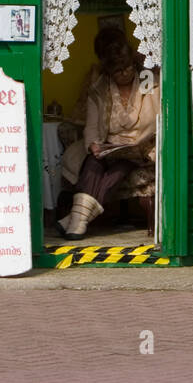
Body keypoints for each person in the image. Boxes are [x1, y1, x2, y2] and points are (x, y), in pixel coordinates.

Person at [57, 34, 158, 239]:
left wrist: (137, 142)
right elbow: (92, 127)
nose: (125, 73)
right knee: (92, 163)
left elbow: (157, 117)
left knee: (120, 169)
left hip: (140, 148)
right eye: (118, 71)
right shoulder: (99, 89)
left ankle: (74, 221)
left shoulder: (148, 82)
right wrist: (94, 145)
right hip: (110, 146)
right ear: (109, 71)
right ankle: (78, 220)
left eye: (128, 67)